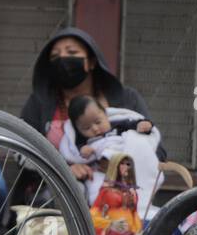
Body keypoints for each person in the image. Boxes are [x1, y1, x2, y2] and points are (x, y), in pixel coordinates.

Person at [19, 28, 162, 188]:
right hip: (56, 196)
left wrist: (121, 165)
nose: (63, 59)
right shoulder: (40, 102)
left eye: (72, 52)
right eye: (55, 56)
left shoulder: (127, 100)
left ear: (92, 62)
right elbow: (21, 150)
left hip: (121, 194)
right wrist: (63, 170)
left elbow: (157, 151)